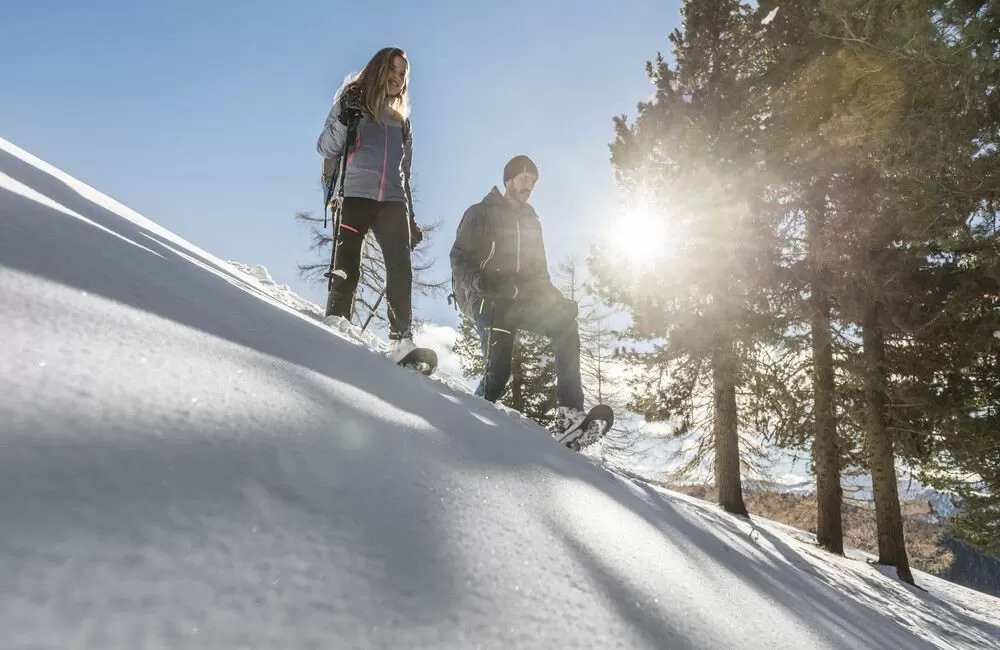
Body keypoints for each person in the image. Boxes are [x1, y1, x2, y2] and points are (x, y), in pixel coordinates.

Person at [449, 155, 605, 449]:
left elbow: (539, 276)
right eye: (523, 180)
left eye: (532, 183)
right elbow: (458, 257)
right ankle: (465, 429)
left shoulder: (532, 222)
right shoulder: (481, 213)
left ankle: (569, 415)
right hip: (487, 299)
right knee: (498, 374)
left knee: (565, 326)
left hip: (520, 301)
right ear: (508, 181)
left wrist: (558, 302)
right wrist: (480, 282)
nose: (528, 187)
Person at [316, 46, 423, 362]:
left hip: (392, 200)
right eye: (393, 69)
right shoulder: (352, 101)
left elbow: (405, 173)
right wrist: (345, 119)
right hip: (354, 193)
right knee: (347, 260)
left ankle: (401, 339)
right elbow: (325, 147)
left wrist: (412, 219)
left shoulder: (401, 121)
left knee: (400, 267)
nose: (397, 77)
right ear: (378, 68)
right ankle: (337, 321)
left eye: (403, 73)